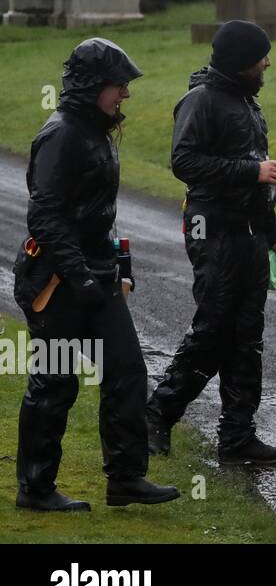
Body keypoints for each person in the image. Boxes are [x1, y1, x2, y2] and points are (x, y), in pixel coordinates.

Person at [13, 38, 179, 511]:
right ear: (91, 86)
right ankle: (36, 489)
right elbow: (45, 217)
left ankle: (126, 479)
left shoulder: (95, 129)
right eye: (118, 85)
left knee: (128, 371)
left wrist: (111, 265)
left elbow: (93, 212)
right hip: (57, 280)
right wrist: (79, 276)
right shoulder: (62, 134)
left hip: (95, 274)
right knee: (55, 383)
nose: (124, 94)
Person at [146, 21, 276, 466]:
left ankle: (237, 436)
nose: (268, 62)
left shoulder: (246, 103)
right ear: (243, 60)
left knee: (247, 334)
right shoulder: (201, 101)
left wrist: (272, 234)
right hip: (214, 231)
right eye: (262, 55)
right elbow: (184, 161)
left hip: (248, 232)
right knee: (214, 328)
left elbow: (259, 173)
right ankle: (155, 414)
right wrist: (253, 173)